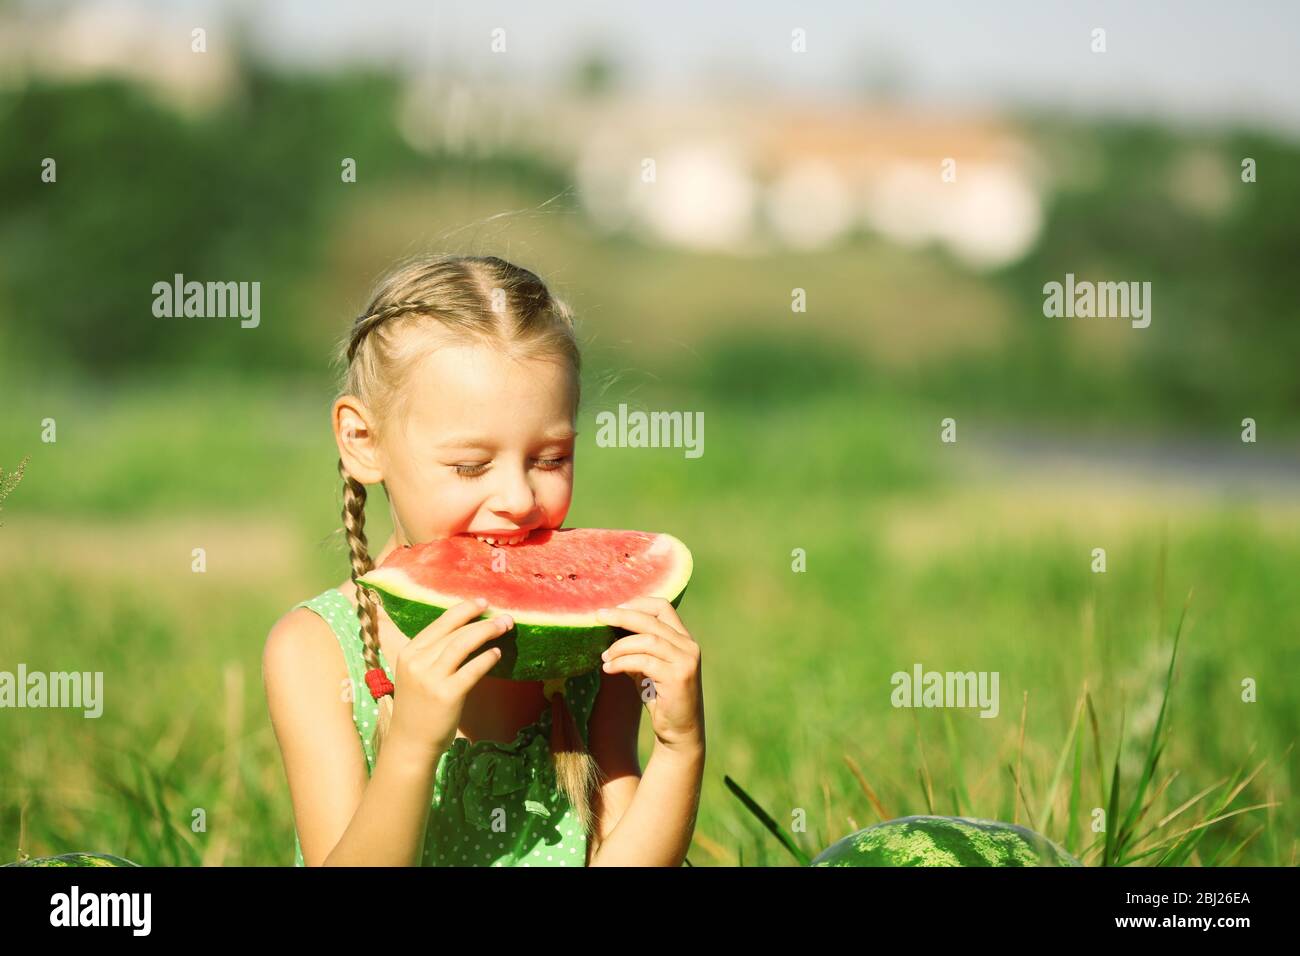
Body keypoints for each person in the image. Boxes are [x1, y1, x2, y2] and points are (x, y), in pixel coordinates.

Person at [262, 253, 705, 866]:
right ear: (363, 442)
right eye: (470, 465)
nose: (519, 499)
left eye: (549, 459)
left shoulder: (597, 640)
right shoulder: (314, 651)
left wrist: (680, 746)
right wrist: (412, 746)